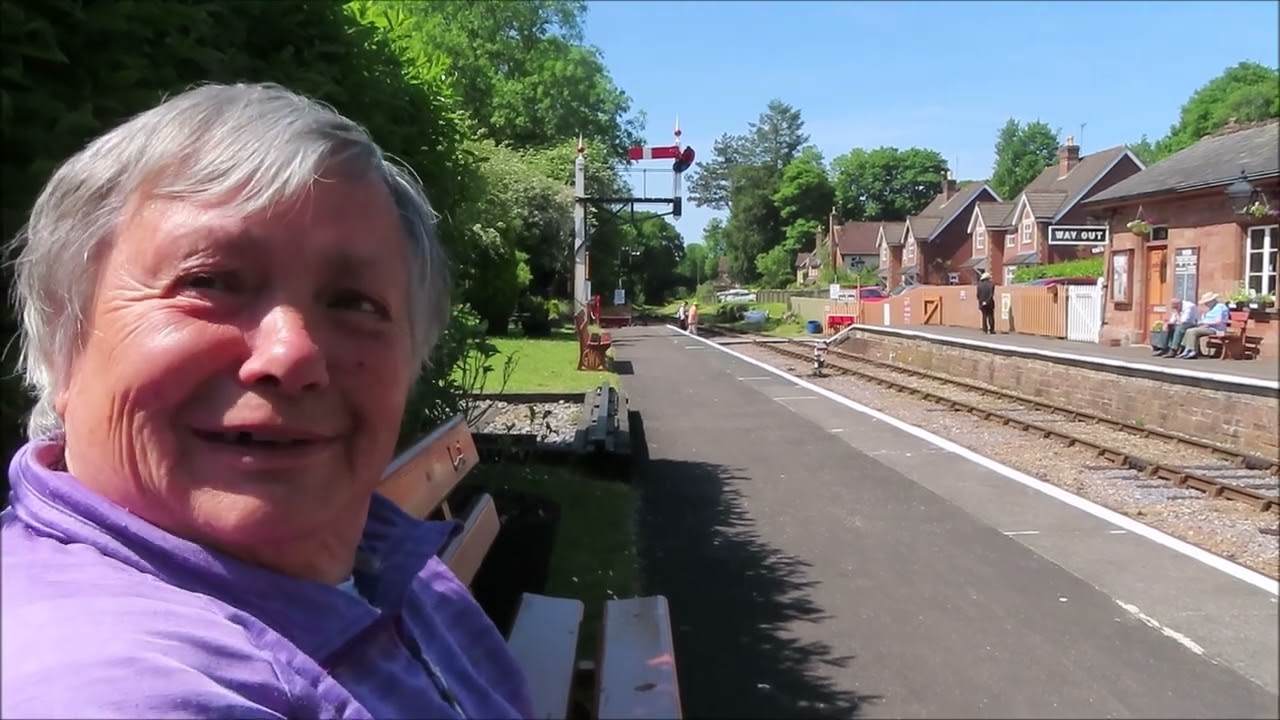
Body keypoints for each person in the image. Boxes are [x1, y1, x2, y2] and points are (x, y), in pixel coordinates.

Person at [1, 83, 534, 718]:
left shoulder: (386, 562)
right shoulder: (112, 689)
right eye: (209, 281)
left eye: (354, 302)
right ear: (65, 339)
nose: (293, 354)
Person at [1177, 291, 1229, 359]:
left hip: (1216, 329)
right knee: (1188, 329)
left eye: (1207, 302)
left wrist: (1204, 322)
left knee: (1192, 331)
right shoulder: (1211, 308)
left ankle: (1191, 350)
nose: (1206, 304)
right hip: (1207, 327)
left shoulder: (1220, 307)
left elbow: (1218, 321)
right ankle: (1186, 349)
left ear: (1212, 301)